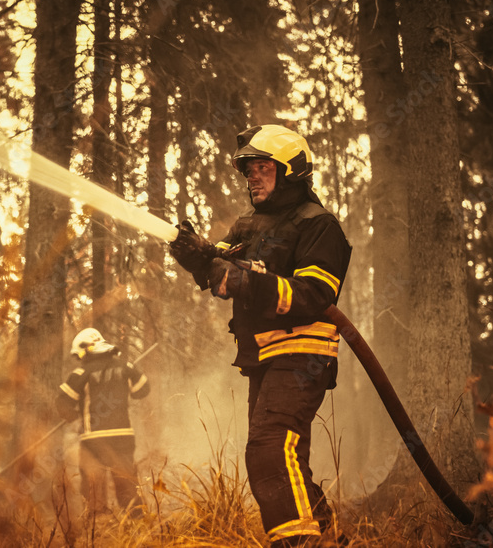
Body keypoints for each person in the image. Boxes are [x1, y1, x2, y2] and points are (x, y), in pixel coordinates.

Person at [169, 124, 352, 547]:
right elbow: (218, 264)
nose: (252, 176)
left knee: (268, 448)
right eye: (248, 169)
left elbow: (314, 294)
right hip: (263, 356)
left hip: (302, 354)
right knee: (284, 455)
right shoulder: (249, 225)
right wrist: (196, 256)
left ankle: (299, 543)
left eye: (262, 167)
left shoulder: (318, 225)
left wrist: (244, 280)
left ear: (291, 171)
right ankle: (328, 536)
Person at [57, 327, 150, 517]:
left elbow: (62, 403)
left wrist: (75, 418)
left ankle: (98, 526)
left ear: (86, 349)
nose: (79, 359)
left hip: (93, 439)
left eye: (79, 355)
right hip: (123, 437)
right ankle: (137, 523)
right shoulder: (126, 367)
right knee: (127, 483)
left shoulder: (81, 373)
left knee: (93, 489)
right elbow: (142, 390)